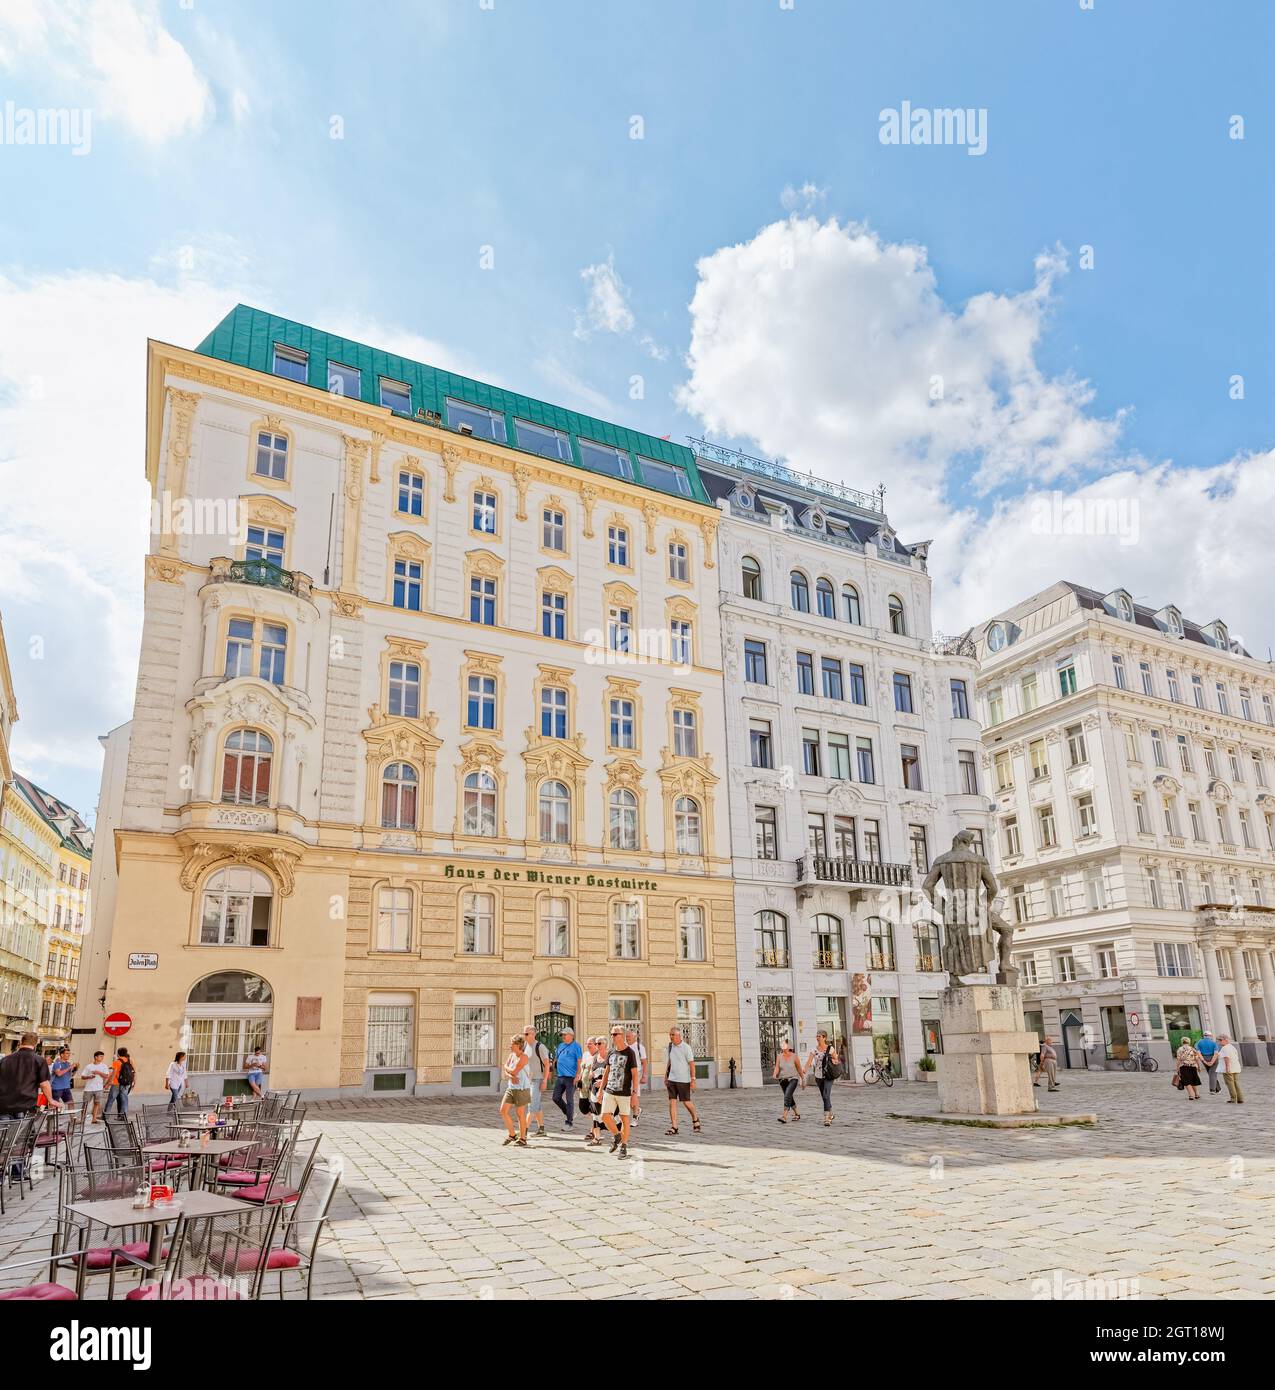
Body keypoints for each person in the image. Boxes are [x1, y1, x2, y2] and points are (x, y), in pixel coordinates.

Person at [600, 1025, 639, 1159]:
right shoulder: (611, 1052)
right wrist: (601, 1090)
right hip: (609, 1090)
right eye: (611, 1034)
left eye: (615, 1034)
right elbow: (606, 1072)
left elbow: (635, 1075)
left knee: (624, 1119)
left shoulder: (630, 1053)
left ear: (622, 1036)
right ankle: (617, 1135)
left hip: (624, 1092)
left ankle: (623, 1146)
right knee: (604, 1116)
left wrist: (635, 1093)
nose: (612, 1036)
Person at [0, 1033, 53, 1118]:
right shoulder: (39, 1060)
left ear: (21, 1042)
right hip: (25, 1105)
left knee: (4, 1131)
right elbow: (44, 1084)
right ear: (36, 1043)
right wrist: (50, 1100)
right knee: (24, 1130)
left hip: (3, 1105)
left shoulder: (5, 1059)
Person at [664, 1025, 701, 1135]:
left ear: (679, 1035)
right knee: (672, 1102)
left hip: (684, 1079)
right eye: (670, 1035)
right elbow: (669, 1061)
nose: (671, 1037)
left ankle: (695, 1118)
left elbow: (692, 1064)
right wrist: (666, 1075)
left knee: (686, 1102)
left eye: (673, 1035)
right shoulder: (670, 1046)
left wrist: (693, 1079)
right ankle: (674, 1127)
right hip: (672, 1079)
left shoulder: (686, 1047)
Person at [500, 1036, 531, 1146]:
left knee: (520, 1113)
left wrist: (508, 1070)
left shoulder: (524, 1057)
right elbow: (507, 1071)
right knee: (503, 1111)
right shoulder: (512, 1055)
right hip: (511, 1088)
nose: (510, 1046)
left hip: (522, 1088)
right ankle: (512, 1135)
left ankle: (522, 1138)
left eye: (512, 1044)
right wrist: (509, 1074)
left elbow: (512, 1070)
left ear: (518, 1046)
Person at [805, 1030, 841, 1125]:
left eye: (819, 1036)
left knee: (825, 1095)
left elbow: (836, 1058)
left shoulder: (830, 1049)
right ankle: (831, 1114)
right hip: (818, 1076)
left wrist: (834, 1061)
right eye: (817, 1036)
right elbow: (809, 1061)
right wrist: (804, 1070)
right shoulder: (814, 1050)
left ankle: (826, 1118)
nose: (817, 1038)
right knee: (824, 1096)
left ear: (824, 1037)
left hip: (828, 1075)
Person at [551, 1026, 583, 1129]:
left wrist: (578, 1075)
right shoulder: (560, 1045)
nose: (563, 1037)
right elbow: (556, 1058)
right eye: (562, 1035)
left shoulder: (576, 1046)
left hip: (571, 1078)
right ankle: (570, 1113)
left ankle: (569, 1123)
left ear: (571, 1035)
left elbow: (579, 1062)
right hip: (560, 1077)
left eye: (565, 1035)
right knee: (555, 1098)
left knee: (569, 1100)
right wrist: (552, 1068)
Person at [521, 1025, 551, 1137]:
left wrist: (544, 1081)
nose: (524, 1036)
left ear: (533, 1034)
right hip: (529, 1080)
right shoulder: (525, 1046)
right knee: (536, 1105)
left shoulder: (540, 1047)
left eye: (526, 1034)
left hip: (538, 1080)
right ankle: (541, 1129)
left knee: (532, 1106)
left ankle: (523, 1131)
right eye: (524, 1033)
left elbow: (547, 1064)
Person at [584, 1039, 609, 1147]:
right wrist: (591, 1074)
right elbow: (591, 1071)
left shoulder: (609, 1058)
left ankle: (618, 1134)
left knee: (610, 1114)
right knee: (595, 1115)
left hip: (607, 1090)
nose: (597, 1045)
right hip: (594, 1090)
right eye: (596, 1043)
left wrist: (603, 1081)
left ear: (605, 1045)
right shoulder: (594, 1057)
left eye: (599, 1043)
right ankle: (597, 1138)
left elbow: (613, 1073)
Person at [773, 1040, 804, 1122]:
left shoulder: (794, 1056)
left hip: (793, 1078)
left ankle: (784, 1116)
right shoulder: (779, 1056)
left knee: (787, 1095)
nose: (782, 1045)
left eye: (784, 1044)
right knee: (789, 1096)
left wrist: (803, 1079)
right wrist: (775, 1073)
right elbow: (777, 1067)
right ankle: (797, 1114)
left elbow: (799, 1069)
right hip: (782, 1080)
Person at [80, 1050, 111, 1124]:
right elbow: (82, 1077)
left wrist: (98, 1072)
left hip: (99, 1088)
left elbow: (106, 1076)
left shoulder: (104, 1066)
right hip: (88, 1088)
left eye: (102, 1056)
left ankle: (94, 1119)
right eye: (100, 1056)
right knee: (85, 1104)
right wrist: (89, 1076)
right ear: (95, 1057)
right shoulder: (89, 1066)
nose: (102, 1058)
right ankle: (82, 1119)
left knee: (97, 1104)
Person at [624, 1028, 647, 1127]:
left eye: (629, 1036)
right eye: (626, 1036)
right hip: (626, 1074)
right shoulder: (624, 1047)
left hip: (636, 1074)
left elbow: (644, 1062)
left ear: (634, 1037)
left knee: (635, 1095)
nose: (627, 1038)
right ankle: (637, 1110)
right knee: (626, 1096)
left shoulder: (639, 1047)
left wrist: (644, 1076)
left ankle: (635, 1117)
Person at [1216, 1033, 1244, 1104]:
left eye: (1219, 1041)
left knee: (1230, 1084)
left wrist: (1227, 1068)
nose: (1218, 1043)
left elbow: (1226, 1058)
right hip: (1235, 1067)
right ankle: (1240, 1098)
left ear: (1223, 1040)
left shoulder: (1225, 1048)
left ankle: (1233, 1099)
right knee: (1236, 1083)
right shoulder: (1232, 1047)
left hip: (1229, 1069)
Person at [107, 1048, 135, 1117]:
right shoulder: (130, 1060)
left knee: (111, 1099)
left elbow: (114, 1073)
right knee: (124, 1099)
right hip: (126, 1083)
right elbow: (134, 1071)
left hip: (116, 1083)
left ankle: (106, 1116)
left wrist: (109, 1082)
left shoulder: (116, 1061)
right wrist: (134, 1081)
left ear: (118, 1053)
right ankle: (123, 1116)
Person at [1174, 1036, 1203, 1100]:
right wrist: (1199, 1067)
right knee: (1193, 1081)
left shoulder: (1180, 1049)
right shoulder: (1193, 1049)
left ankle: (1191, 1095)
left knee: (1186, 1081)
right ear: (1189, 1042)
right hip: (1193, 1066)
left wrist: (1177, 1068)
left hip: (1184, 1067)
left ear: (1182, 1042)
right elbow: (1197, 1059)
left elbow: (1178, 1060)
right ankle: (1197, 1094)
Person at [1195, 1030, 1221, 1094]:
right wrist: (1212, 1061)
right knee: (1212, 1074)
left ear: (1204, 1036)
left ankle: (1218, 1088)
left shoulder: (1199, 1043)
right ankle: (1212, 1090)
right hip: (1213, 1058)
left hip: (1204, 1058)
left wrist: (1204, 1061)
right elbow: (1216, 1053)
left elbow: (1198, 1053)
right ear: (1210, 1036)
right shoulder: (1214, 1043)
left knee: (1211, 1074)